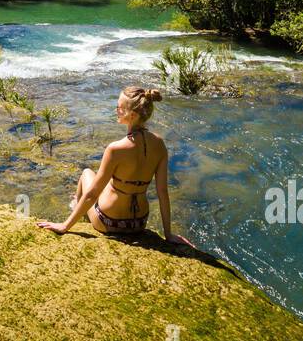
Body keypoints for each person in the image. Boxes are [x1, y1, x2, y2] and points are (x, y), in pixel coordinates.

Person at [37, 86, 193, 245]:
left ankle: (77, 210)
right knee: (111, 184)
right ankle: (80, 207)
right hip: (138, 223)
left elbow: (92, 193)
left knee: (86, 173)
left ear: (132, 115)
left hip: (108, 222)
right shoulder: (159, 144)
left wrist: (64, 226)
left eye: (119, 108)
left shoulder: (116, 149)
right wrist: (168, 234)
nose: (116, 110)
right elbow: (162, 192)